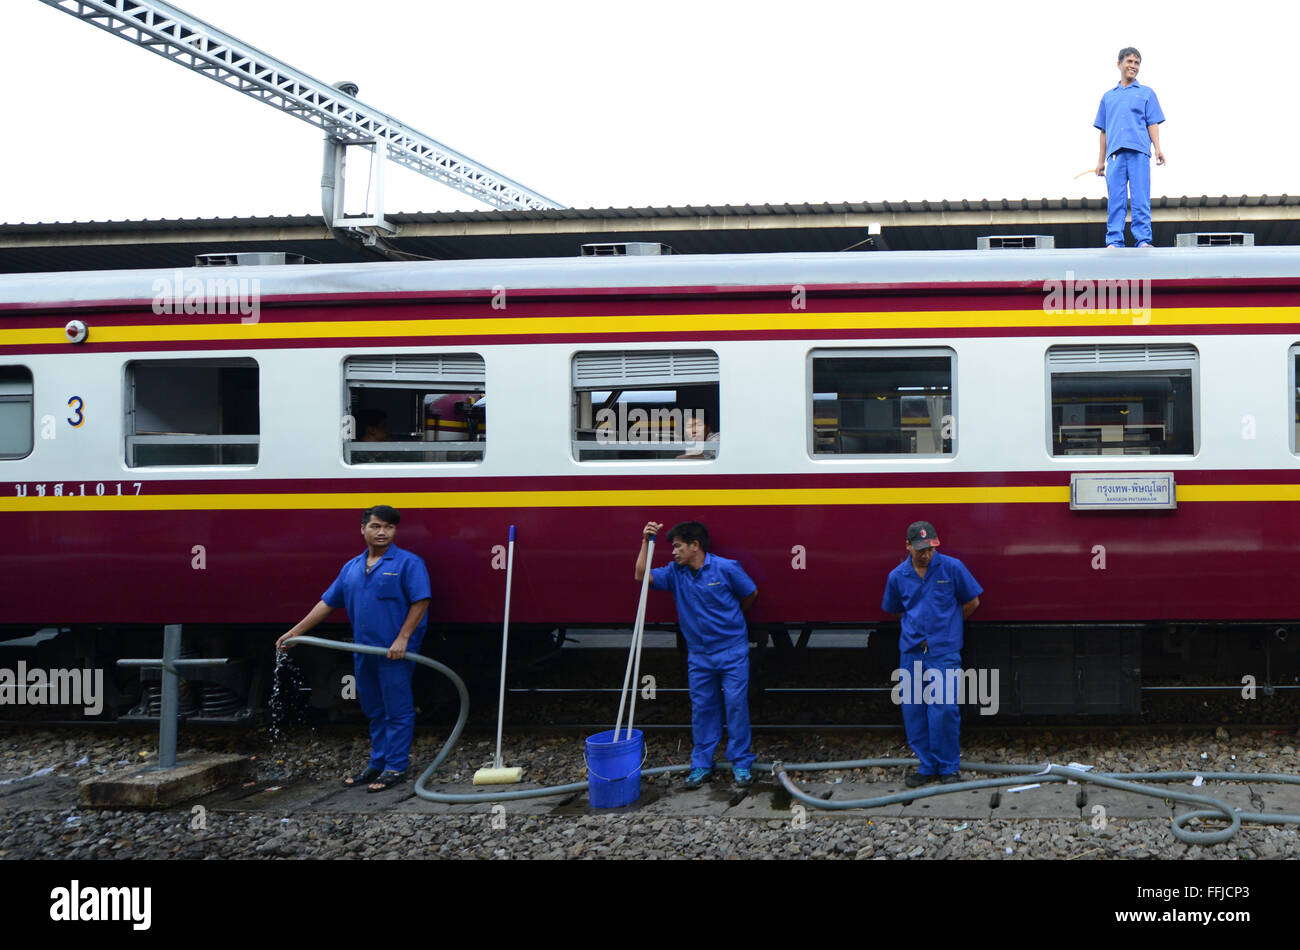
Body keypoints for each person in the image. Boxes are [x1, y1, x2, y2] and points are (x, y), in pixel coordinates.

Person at [278, 505, 432, 792]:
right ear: (362, 529)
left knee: (397, 709)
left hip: (393, 653)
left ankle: (395, 767)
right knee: (373, 708)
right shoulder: (351, 568)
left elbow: (421, 601)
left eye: (388, 527)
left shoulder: (409, 563)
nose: (382, 532)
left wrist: (403, 639)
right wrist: (295, 632)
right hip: (364, 652)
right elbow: (327, 603)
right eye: (376, 526)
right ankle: (378, 763)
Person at [636, 520, 757, 787]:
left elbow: (750, 593)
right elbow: (641, 576)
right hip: (699, 655)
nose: (674, 552)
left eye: (678, 546)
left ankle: (741, 763)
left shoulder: (726, 568)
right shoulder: (675, 573)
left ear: (695, 546)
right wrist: (646, 541)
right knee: (703, 708)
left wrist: (732, 622)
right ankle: (702, 764)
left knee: (736, 706)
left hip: (732, 650)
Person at [881, 521, 982, 787]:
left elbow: (972, 602)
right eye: (920, 549)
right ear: (908, 546)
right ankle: (927, 765)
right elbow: (895, 609)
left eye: (930, 548)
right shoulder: (897, 576)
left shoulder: (952, 568)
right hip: (912, 653)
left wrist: (949, 625)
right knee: (914, 711)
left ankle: (948, 767)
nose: (926, 554)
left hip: (944, 651)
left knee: (945, 709)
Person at [1093, 47, 1166, 248]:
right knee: (1115, 200)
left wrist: (1158, 149)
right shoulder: (1108, 97)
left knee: (1140, 197)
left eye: (1136, 63)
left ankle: (1143, 240)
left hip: (1139, 152)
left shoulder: (1146, 93)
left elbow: (1153, 123)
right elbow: (1104, 131)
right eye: (1129, 62)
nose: (1133, 66)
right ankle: (1114, 240)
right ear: (1119, 65)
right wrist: (1100, 161)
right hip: (1115, 155)